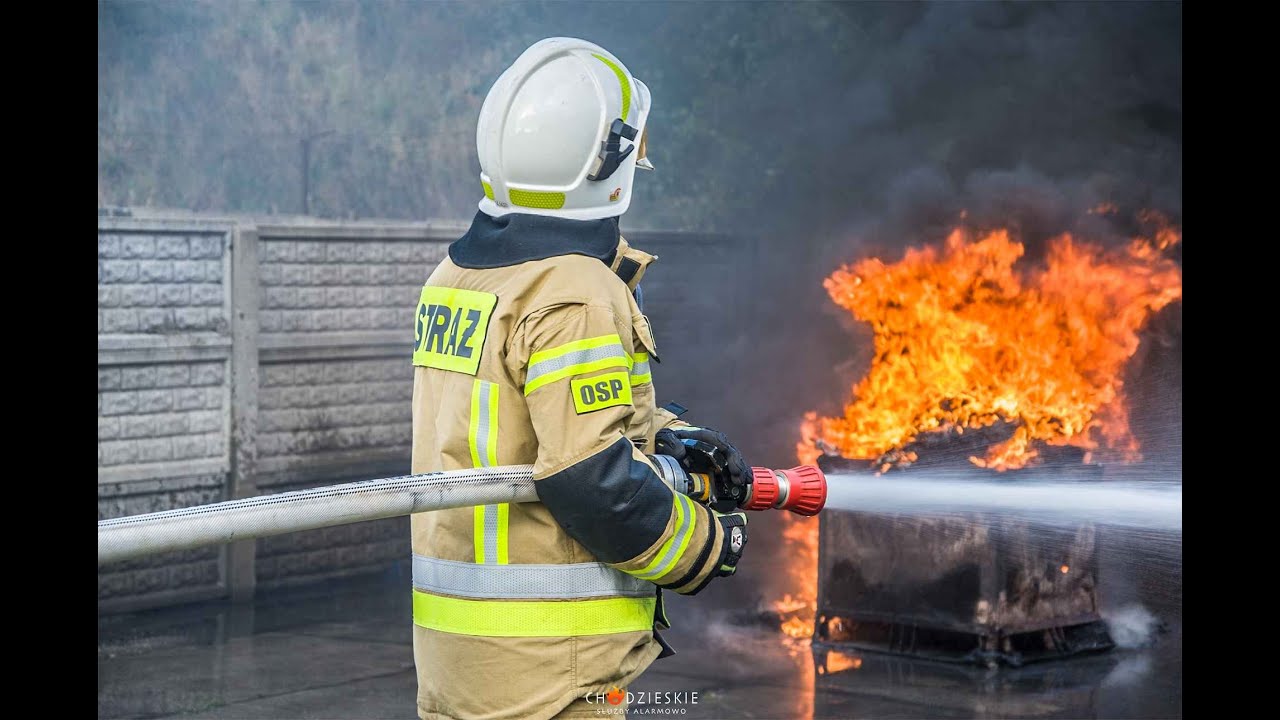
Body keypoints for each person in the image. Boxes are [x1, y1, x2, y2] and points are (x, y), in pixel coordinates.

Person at [409, 37, 751, 719]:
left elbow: (535, 419)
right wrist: (712, 546)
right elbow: (590, 480)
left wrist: (675, 439)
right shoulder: (575, 289)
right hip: (553, 675)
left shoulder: (458, 279)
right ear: (608, 162)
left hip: (464, 668)